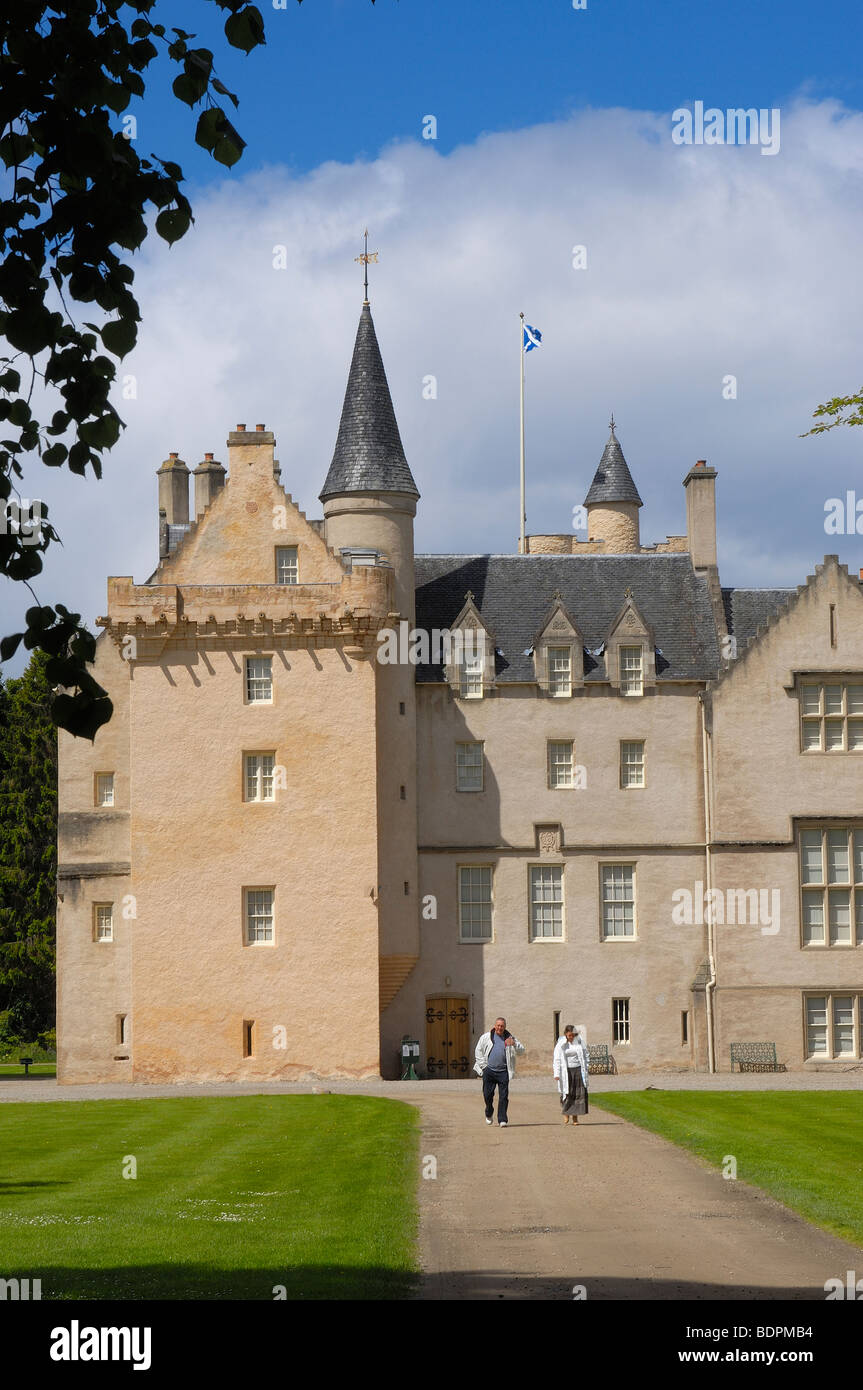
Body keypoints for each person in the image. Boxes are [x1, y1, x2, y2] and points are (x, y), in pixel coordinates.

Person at [474, 1016, 525, 1127]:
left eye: (502, 1026)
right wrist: (484, 1067)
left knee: (503, 1096)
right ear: (494, 1026)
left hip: (503, 1072)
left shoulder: (510, 1038)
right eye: (498, 1025)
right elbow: (478, 1051)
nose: (500, 1028)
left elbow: (522, 1051)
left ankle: (502, 1119)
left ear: (505, 1027)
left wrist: (514, 1044)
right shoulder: (486, 1037)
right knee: (487, 1095)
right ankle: (489, 1112)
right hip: (489, 1070)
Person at [553, 1024, 589, 1125]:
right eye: (569, 1035)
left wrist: (586, 1067)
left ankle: (575, 1117)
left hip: (578, 1069)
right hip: (566, 1071)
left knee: (577, 1094)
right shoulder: (561, 1043)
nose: (571, 1037)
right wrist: (556, 1073)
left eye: (572, 1035)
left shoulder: (579, 1041)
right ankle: (566, 1113)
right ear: (565, 1034)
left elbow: (586, 1054)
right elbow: (556, 1059)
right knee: (567, 1093)